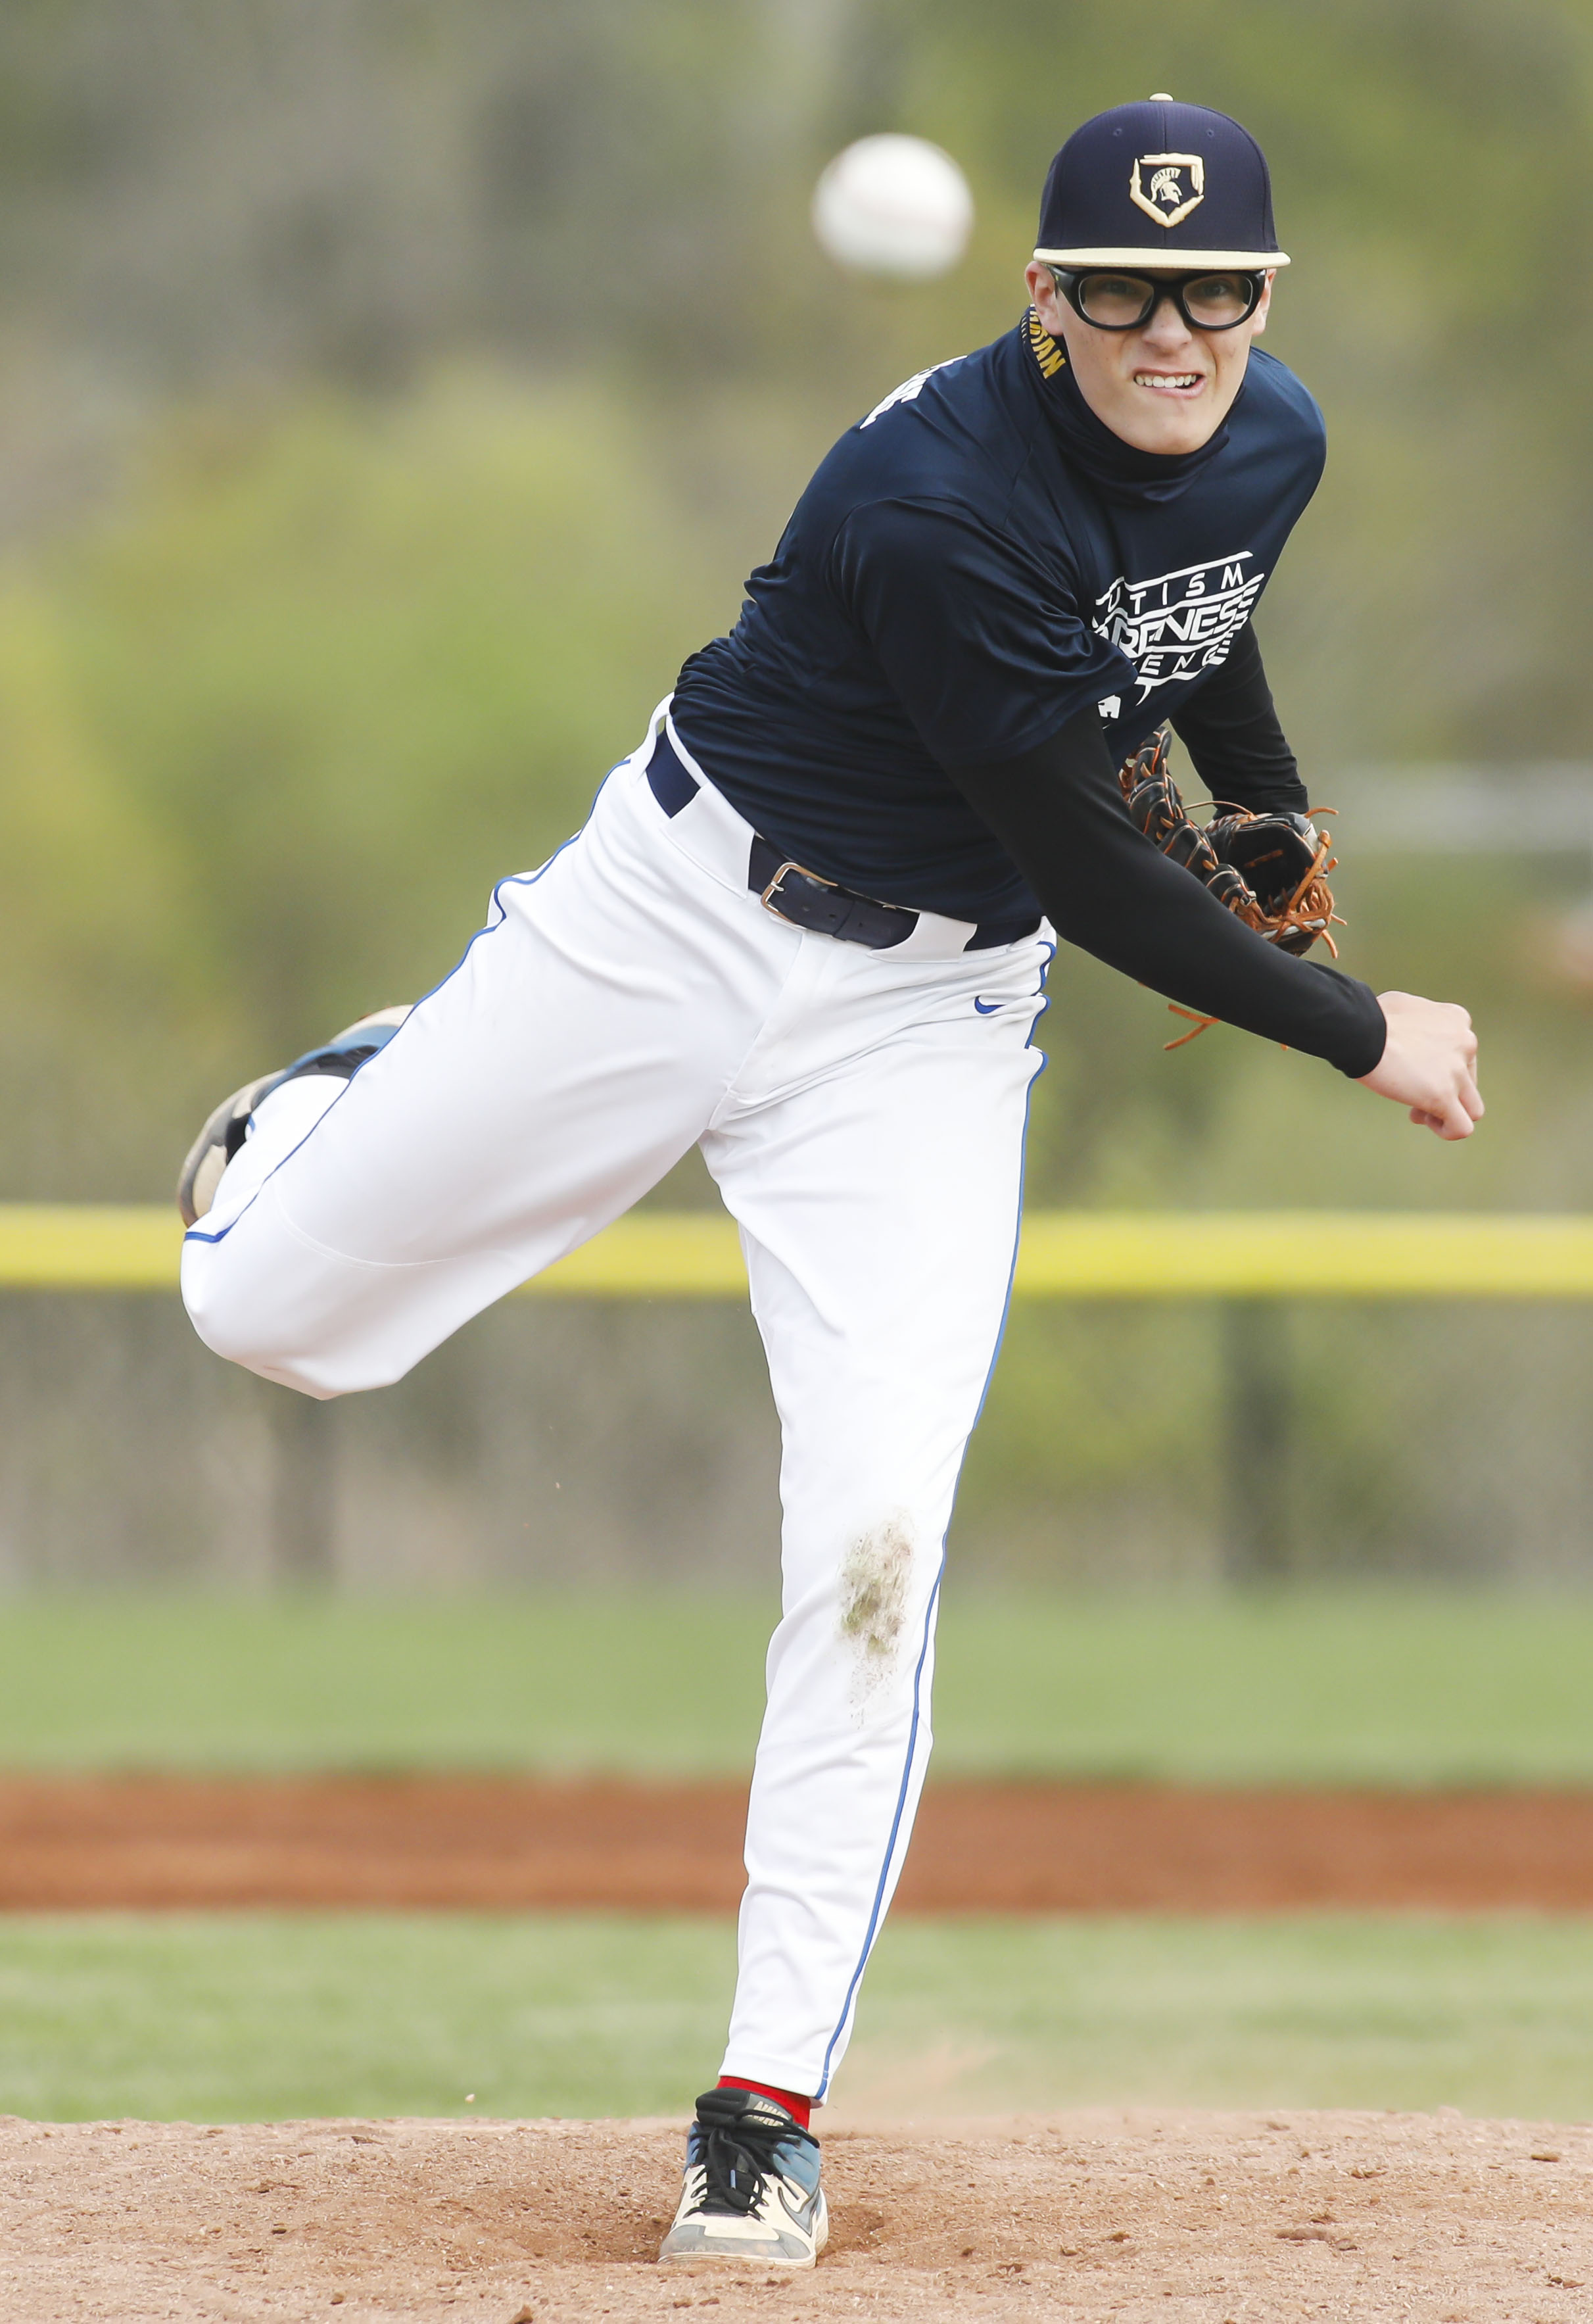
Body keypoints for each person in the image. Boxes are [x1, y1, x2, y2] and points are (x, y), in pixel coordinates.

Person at [176, 95, 1481, 2269]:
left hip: (924, 1025)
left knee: (878, 1540)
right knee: (269, 1324)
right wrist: (1358, 1026)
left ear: (1269, 299)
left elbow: (1200, 619)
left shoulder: (1275, 436)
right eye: (1126, 288)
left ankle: (763, 2108)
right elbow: (1093, 866)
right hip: (676, 922)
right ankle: (382, 1070)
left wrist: (1264, 808)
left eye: (1219, 291)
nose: (1176, 330)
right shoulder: (931, 499)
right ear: (1044, 296)